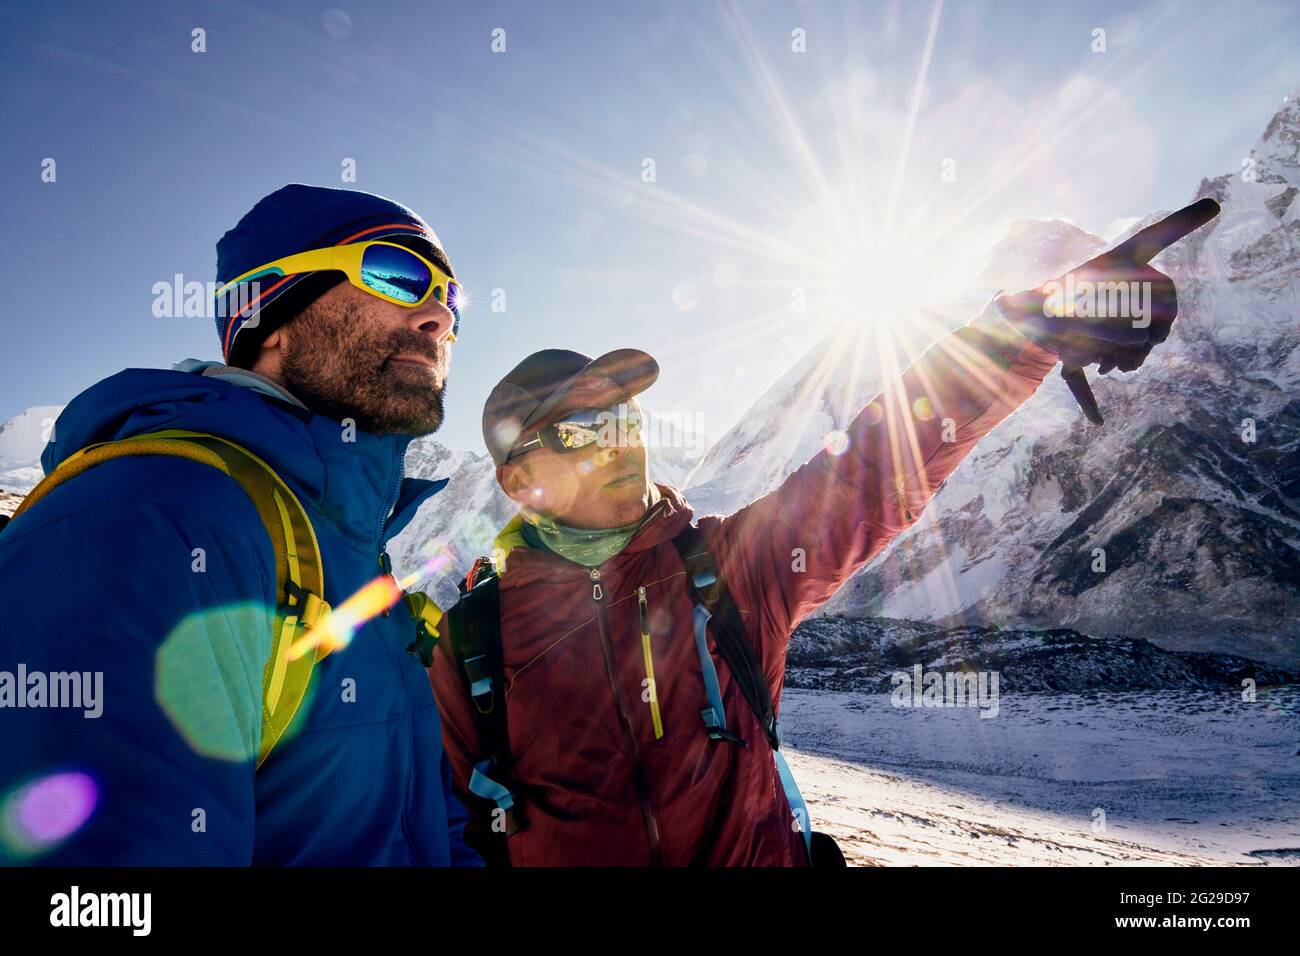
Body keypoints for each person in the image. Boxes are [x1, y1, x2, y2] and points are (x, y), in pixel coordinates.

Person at [428, 201, 1217, 866]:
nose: (621, 441)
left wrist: (1026, 329)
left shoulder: (726, 569)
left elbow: (869, 472)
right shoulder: (471, 641)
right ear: (519, 480)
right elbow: (450, 828)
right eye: (581, 429)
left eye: (625, 417)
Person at [0, 184, 480, 865]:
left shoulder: (345, 543)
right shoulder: (153, 520)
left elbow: (422, 812)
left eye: (450, 298)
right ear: (268, 313)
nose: (437, 315)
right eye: (395, 275)